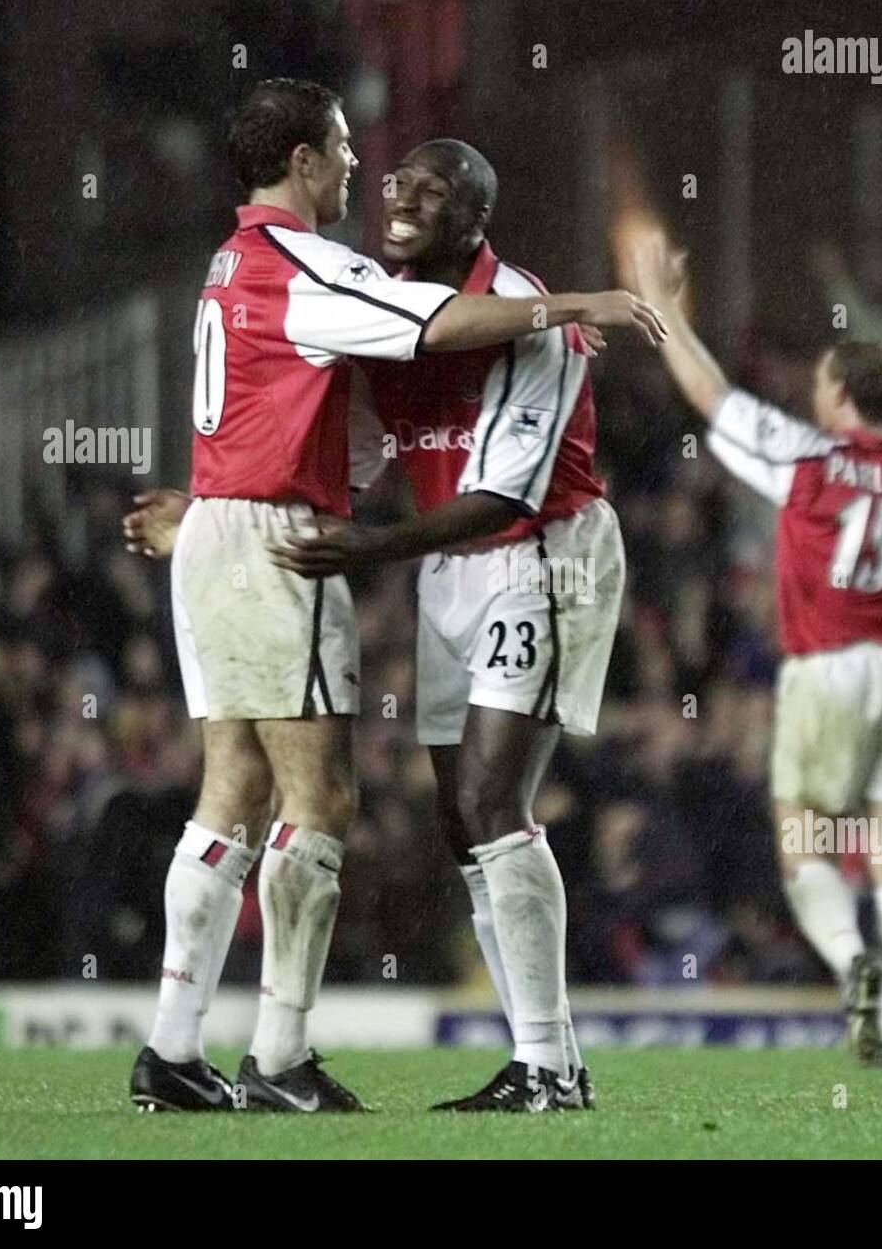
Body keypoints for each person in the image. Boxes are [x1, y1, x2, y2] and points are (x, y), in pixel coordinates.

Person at [128, 78, 665, 1115]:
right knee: (359, 805)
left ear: (477, 216)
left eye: (429, 186)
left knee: (472, 801)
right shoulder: (339, 278)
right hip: (367, 552)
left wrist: (302, 532)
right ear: (304, 161)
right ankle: (256, 1057)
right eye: (364, 160)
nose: (387, 187)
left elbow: (501, 489)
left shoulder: (492, 317)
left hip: (536, 552)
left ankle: (543, 1062)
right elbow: (358, 430)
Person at [631, 237, 882, 1064]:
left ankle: (854, 966)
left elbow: (711, 394)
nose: (813, 396)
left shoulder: (804, 458)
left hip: (824, 670)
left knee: (803, 843)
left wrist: (666, 313)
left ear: (841, 393)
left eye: (819, 384)